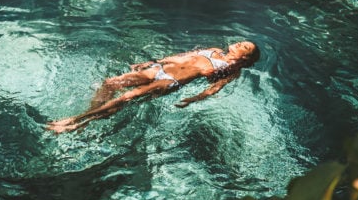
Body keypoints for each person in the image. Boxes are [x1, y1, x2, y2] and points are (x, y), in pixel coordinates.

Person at [47, 41, 259, 133]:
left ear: (245, 58)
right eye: (243, 42)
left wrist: (194, 99)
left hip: (169, 82)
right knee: (110, 84)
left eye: (245, 47)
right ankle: (86, 120)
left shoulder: (231, 70)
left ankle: (74, 121)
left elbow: (214, 89)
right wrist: (153, 62)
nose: (240, 43)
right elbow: (182, 56)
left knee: (125, 98)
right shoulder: (214, 50)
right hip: (158, 69)